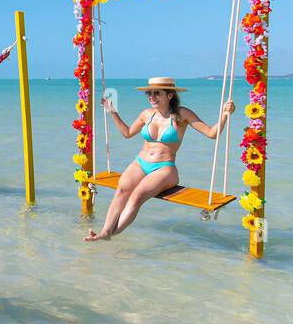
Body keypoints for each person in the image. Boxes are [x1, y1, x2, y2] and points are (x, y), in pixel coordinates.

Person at [85, 77, 235, 242]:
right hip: (140, 163)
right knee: (121, 191)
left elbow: (212, 133)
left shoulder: (182, 114)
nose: (151, 97)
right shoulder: (146, 114)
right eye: (149, 93)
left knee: (137, 195)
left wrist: (224, 114)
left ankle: (108, 234)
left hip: (165, 168)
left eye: (157, 93)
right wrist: (112, 111)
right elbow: (127, 133)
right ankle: (105, 231)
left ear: (169, 95)